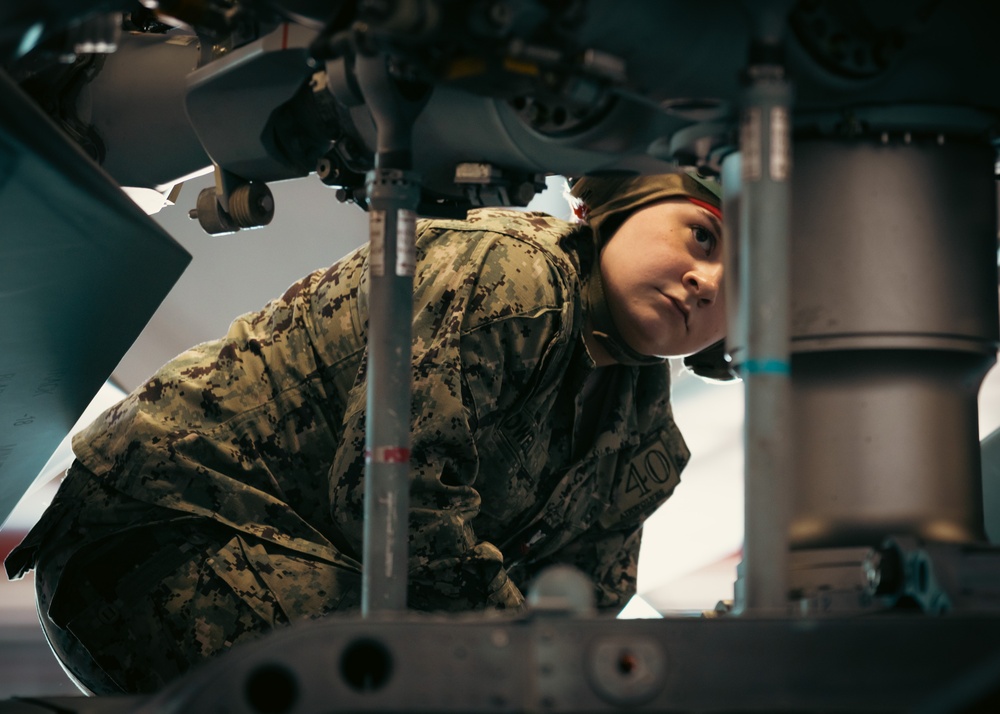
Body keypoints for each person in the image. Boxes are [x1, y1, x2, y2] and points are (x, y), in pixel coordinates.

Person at [5, 170, 730, 694]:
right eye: (701, 236)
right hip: (161, 538)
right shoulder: (513, 278)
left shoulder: (646, 441)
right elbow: (392, 498)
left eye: (742, 282)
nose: (706, 281)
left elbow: (582, 614)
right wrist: (527, 655)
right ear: (623, 206)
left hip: (327, 580)